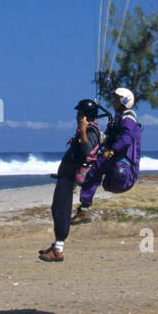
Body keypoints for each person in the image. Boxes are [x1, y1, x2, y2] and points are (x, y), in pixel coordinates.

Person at [39, 98, 102, 262]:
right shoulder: (86, 129)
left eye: (80, 113)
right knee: (58, 208)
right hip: (66, 175)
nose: (77, 116)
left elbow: (87, 150)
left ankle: (58, 250)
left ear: (86, 115)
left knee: (61, 210)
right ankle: (56, 245)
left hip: (70, 176)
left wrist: (82, 130)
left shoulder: (91, 130)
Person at [72, 87, 140, 222]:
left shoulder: (128, 119)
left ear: (123, 102)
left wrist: (112, 150)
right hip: (118, 157)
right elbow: (112, 136)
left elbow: (127, 138)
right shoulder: (119, 118)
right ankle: (83, 207)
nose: (113, 102)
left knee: (94, 171)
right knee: (93, 169)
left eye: (116, 99)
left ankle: (84, 208)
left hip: (122, 160)